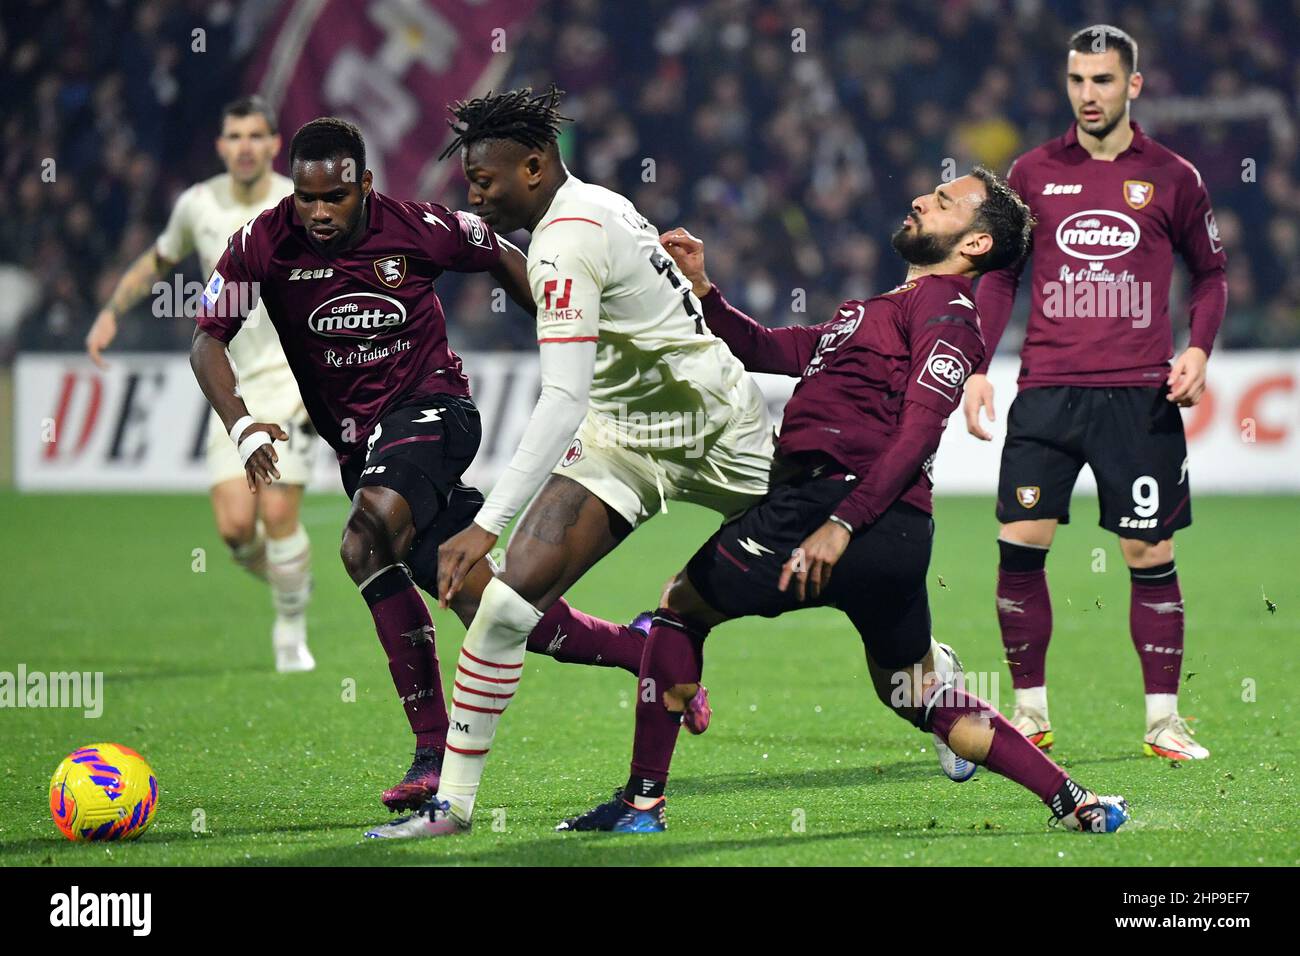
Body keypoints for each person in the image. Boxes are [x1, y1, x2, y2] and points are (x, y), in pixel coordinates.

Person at [561, 170, 1128, 835]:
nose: (920, 198)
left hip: (832, 507)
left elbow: (919, 429)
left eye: (944, 202)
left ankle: (641, 806)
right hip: (894, 536)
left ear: (974, 244)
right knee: (916, 693)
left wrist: (838, 524)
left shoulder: (948, 313)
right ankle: (1077, 802)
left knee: (680, 607)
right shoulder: (877, 310)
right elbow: (766, 348)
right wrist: (705, 291)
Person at [190, 115, 645, 813]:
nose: (317, 212)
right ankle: (644, 653)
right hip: (363, 449)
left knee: (360, 542)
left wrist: (562, 332)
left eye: (333, 198)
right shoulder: (261, 243)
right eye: (306, 198)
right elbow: (206, 342)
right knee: (490, 603)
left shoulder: (418, 227)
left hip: (434, 413)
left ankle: (432, 754)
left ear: (364, 186)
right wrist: (242, 422)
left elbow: (496, 251)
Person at [364, 85, 780, 840]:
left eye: (484, 182)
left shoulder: (564, 242)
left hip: (720, 429)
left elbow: (560, 399)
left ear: (532, 166)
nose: (477, 198)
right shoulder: (594, 203)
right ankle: (450, 808)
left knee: (843, 567)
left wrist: (486, 525)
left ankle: (928, 670)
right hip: (625, 437)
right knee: (503, 613)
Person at [964, 25, 1227, 760]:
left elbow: (1211, 273)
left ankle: (1163, 723)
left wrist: (1199, 348)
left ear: (1133, 86)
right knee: (1020, 543)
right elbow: (1000, 275)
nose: (1088, 94)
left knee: (1147, 551)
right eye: (1078, 80)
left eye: (1103, 81)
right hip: (1046, 390)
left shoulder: (1173, 176)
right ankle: (1029, 714)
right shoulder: (1033, 171)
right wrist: (979, 364)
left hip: (1138, 398)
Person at [86, 95, 317, 673]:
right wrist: (113, 308)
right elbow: (160, 260)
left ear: (272, 144)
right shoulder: (197, 205)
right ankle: (293, 580)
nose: (244, 146)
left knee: (279, 513)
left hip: (295, 378)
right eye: (234, 135)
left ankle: (291, 632)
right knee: (236, 528)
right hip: (228, 383)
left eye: (255, 136)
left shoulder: (298, 203)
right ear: (221, 146)